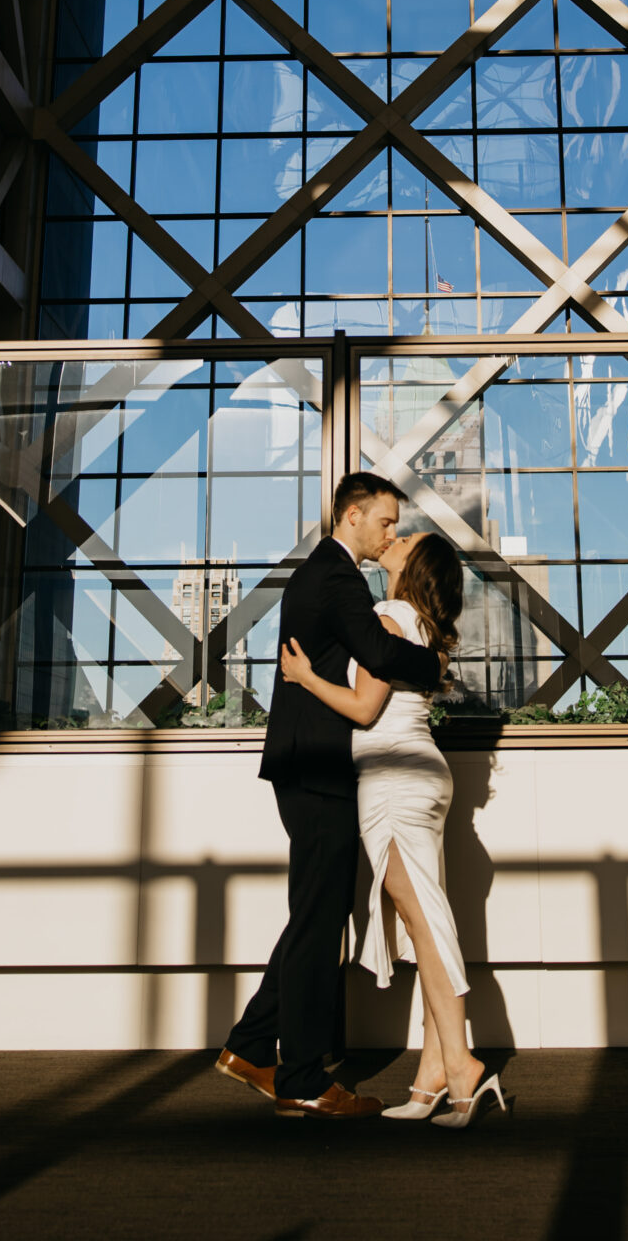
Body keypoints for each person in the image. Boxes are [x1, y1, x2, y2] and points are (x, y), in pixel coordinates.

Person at [216, 472, 442, 1121]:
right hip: (318, 769)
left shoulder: (321, 573)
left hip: (306, 766)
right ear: (350, 516)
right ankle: (303, 1079)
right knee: (320, 923)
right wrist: (435, 664)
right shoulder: (337, 577)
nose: (390, 532)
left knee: (314, 914)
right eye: (384, 521)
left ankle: (251, 1045)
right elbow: (375, 648)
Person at [279, 530, 509, 1131]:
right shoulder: (423, 623)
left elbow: (362, 709)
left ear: (414, 565)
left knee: (424, 923)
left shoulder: (390, 614)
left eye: (404, 538)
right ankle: (433, 1071)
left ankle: (462, 1066)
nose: (393, 537)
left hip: (394, 778)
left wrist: (304, 679)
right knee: (425, 917)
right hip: (418, 773)